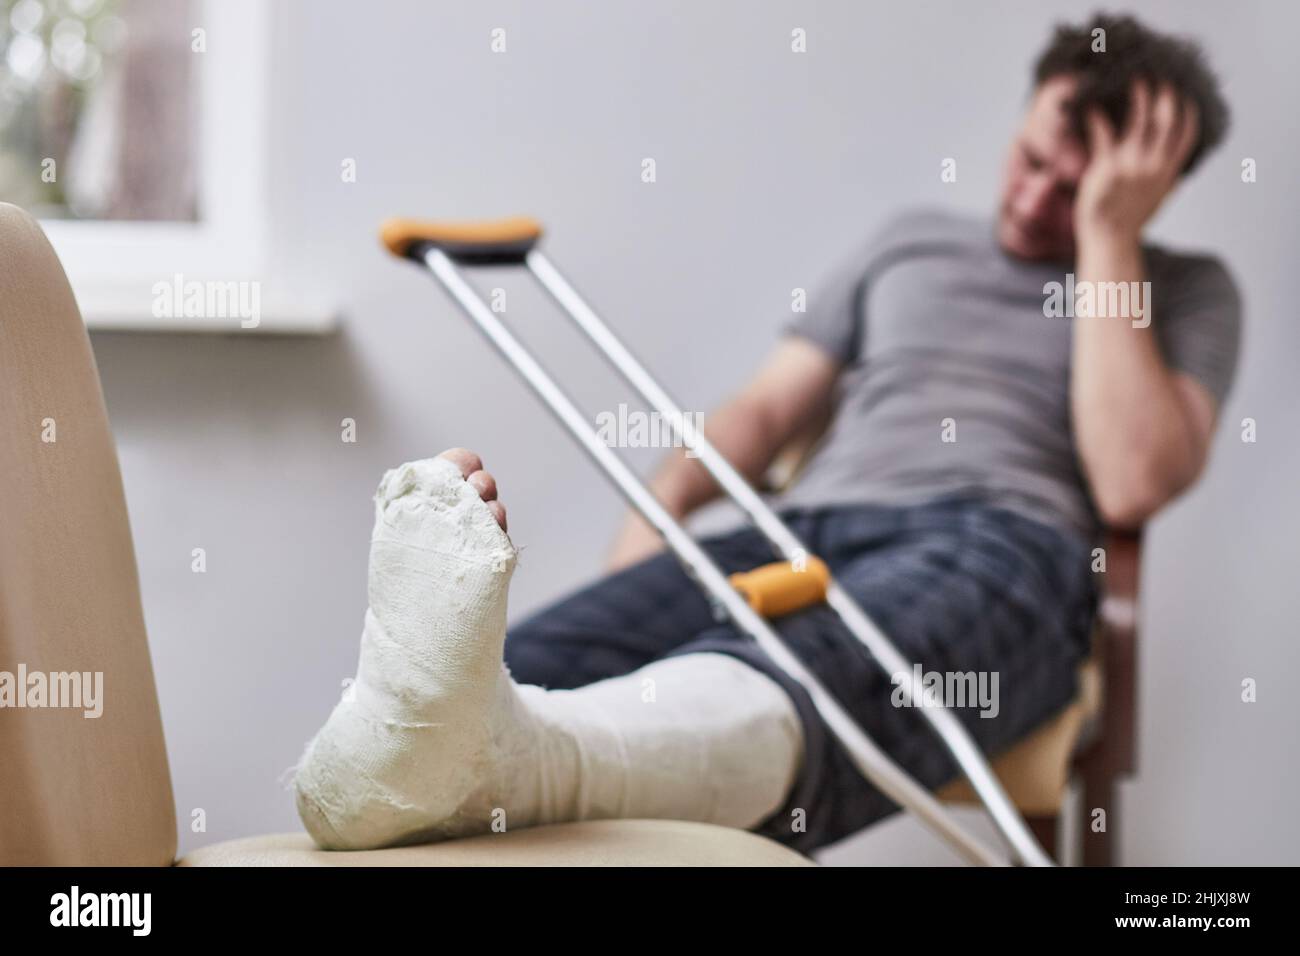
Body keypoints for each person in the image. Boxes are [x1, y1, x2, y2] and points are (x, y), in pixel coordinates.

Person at [292, 14, 1241, 855]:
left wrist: (1107, 243)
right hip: (801, 526)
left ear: (1145, 190)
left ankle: (530, 763)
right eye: (1033, 161)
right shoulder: (909, 241)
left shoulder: (1186, 291)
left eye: (1077, 193)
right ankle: (421, 750)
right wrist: (667, 500)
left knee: (813, 673)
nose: (1037, 202)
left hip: (996, 548)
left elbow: (1128, 482)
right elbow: (771, 409)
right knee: (521, 669)